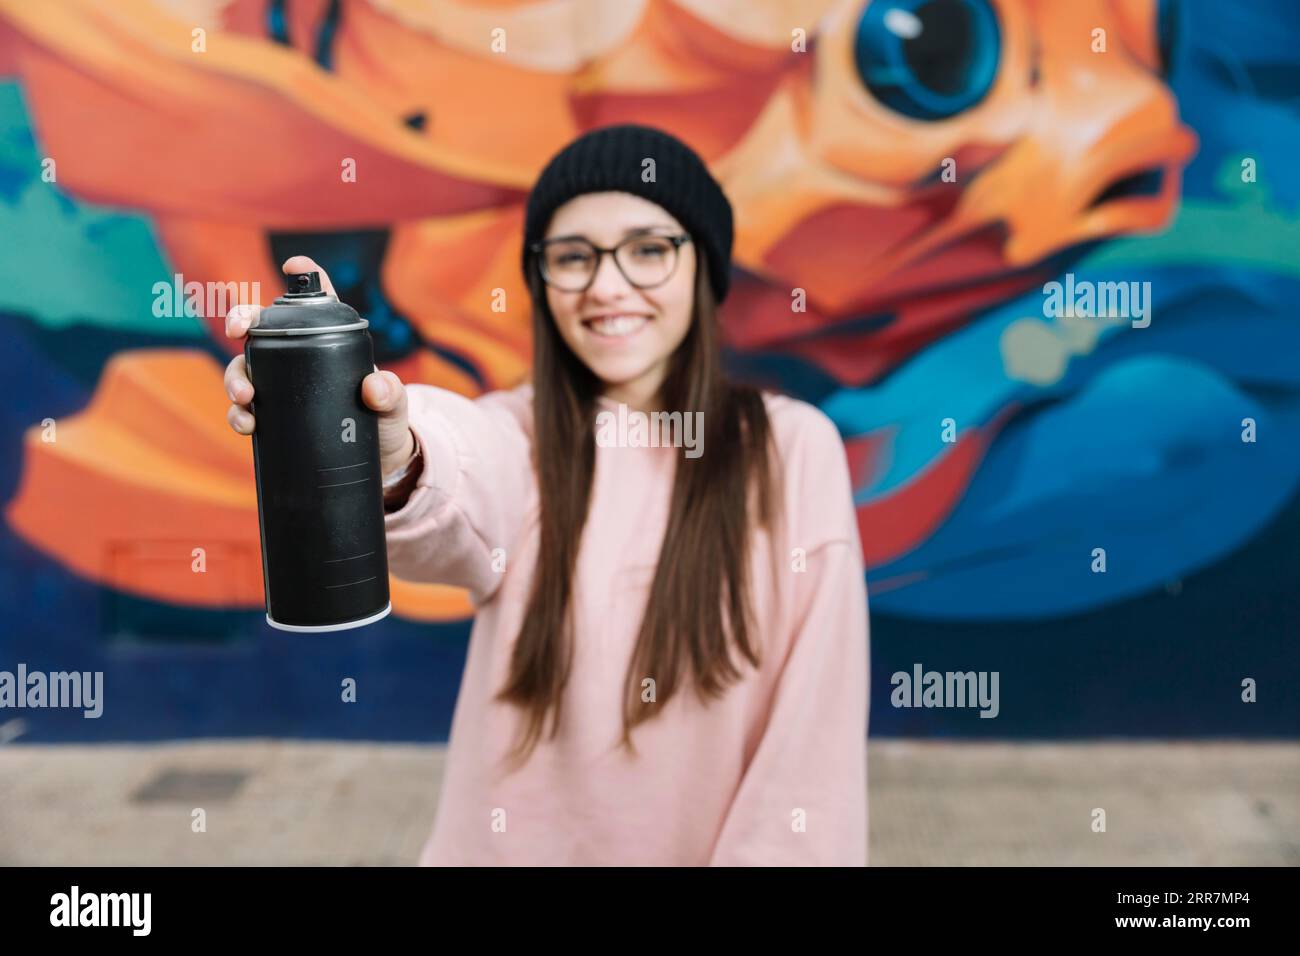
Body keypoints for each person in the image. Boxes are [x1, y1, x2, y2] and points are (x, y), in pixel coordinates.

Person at [224, 124, 869, 866]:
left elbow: (808, 768)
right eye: (573, 257)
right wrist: (386, 438)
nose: (607, 285)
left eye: (649, 249)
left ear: (705, 271)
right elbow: (458, 468)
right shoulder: (518, 436)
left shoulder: (791, 449)